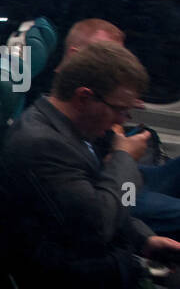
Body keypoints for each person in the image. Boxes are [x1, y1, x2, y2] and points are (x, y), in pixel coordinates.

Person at [0, 42, 180, 289]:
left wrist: (144, 240)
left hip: (107, 264)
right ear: (83, 98)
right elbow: (97, 224)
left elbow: (98, 202)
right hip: (80, 284)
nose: (122, 121)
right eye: (119, 110)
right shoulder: (42, 145)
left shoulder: (68, 132)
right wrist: (123, 156)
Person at [60, 19, 180, 239]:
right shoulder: (52, 137)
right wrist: (123, 156)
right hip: (122, 193)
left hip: (126, 180)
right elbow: (102, 215)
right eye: (108, 59)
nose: (118, 69)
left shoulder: (87, 110)